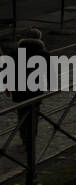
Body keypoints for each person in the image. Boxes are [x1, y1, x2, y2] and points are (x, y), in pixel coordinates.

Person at [10, 28, 49, 168]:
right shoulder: (43, 54)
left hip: (19, 89)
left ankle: (24, 136)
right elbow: (48, 73)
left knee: (21, 112)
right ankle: (31, 138)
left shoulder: (15, 53)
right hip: (35, 90)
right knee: (34, 113)